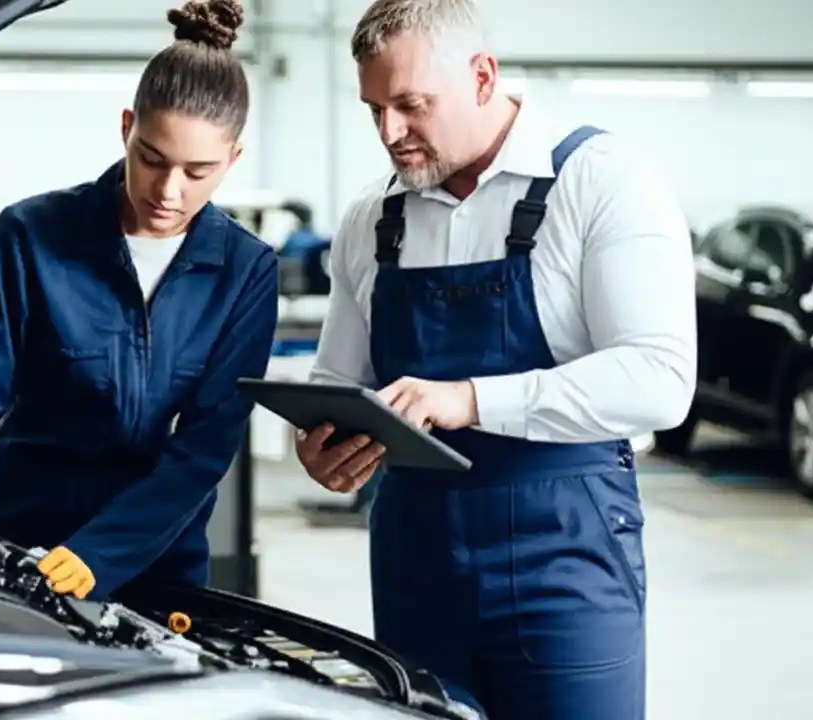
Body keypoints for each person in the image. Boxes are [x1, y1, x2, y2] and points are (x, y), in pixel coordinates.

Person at [294, 1, 696, 718]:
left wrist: (470, 399)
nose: (390, 133)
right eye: (374, 108)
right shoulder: (371, 219)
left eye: (412, 105)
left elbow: (660, 380)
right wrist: (322, 444)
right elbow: (336, 379)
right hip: (414, 559)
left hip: (564, 559)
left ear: (483, 77)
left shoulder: (600, 181)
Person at [0, 0, 277, 603]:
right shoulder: (32, 236)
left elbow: (201, 451)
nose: (170, 191)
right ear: (126, 128)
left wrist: (101, 555)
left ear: (233, 160)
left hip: (154, 568)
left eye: (199, 171)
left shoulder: (245, 273)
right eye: (152, 159)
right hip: (12, 544)